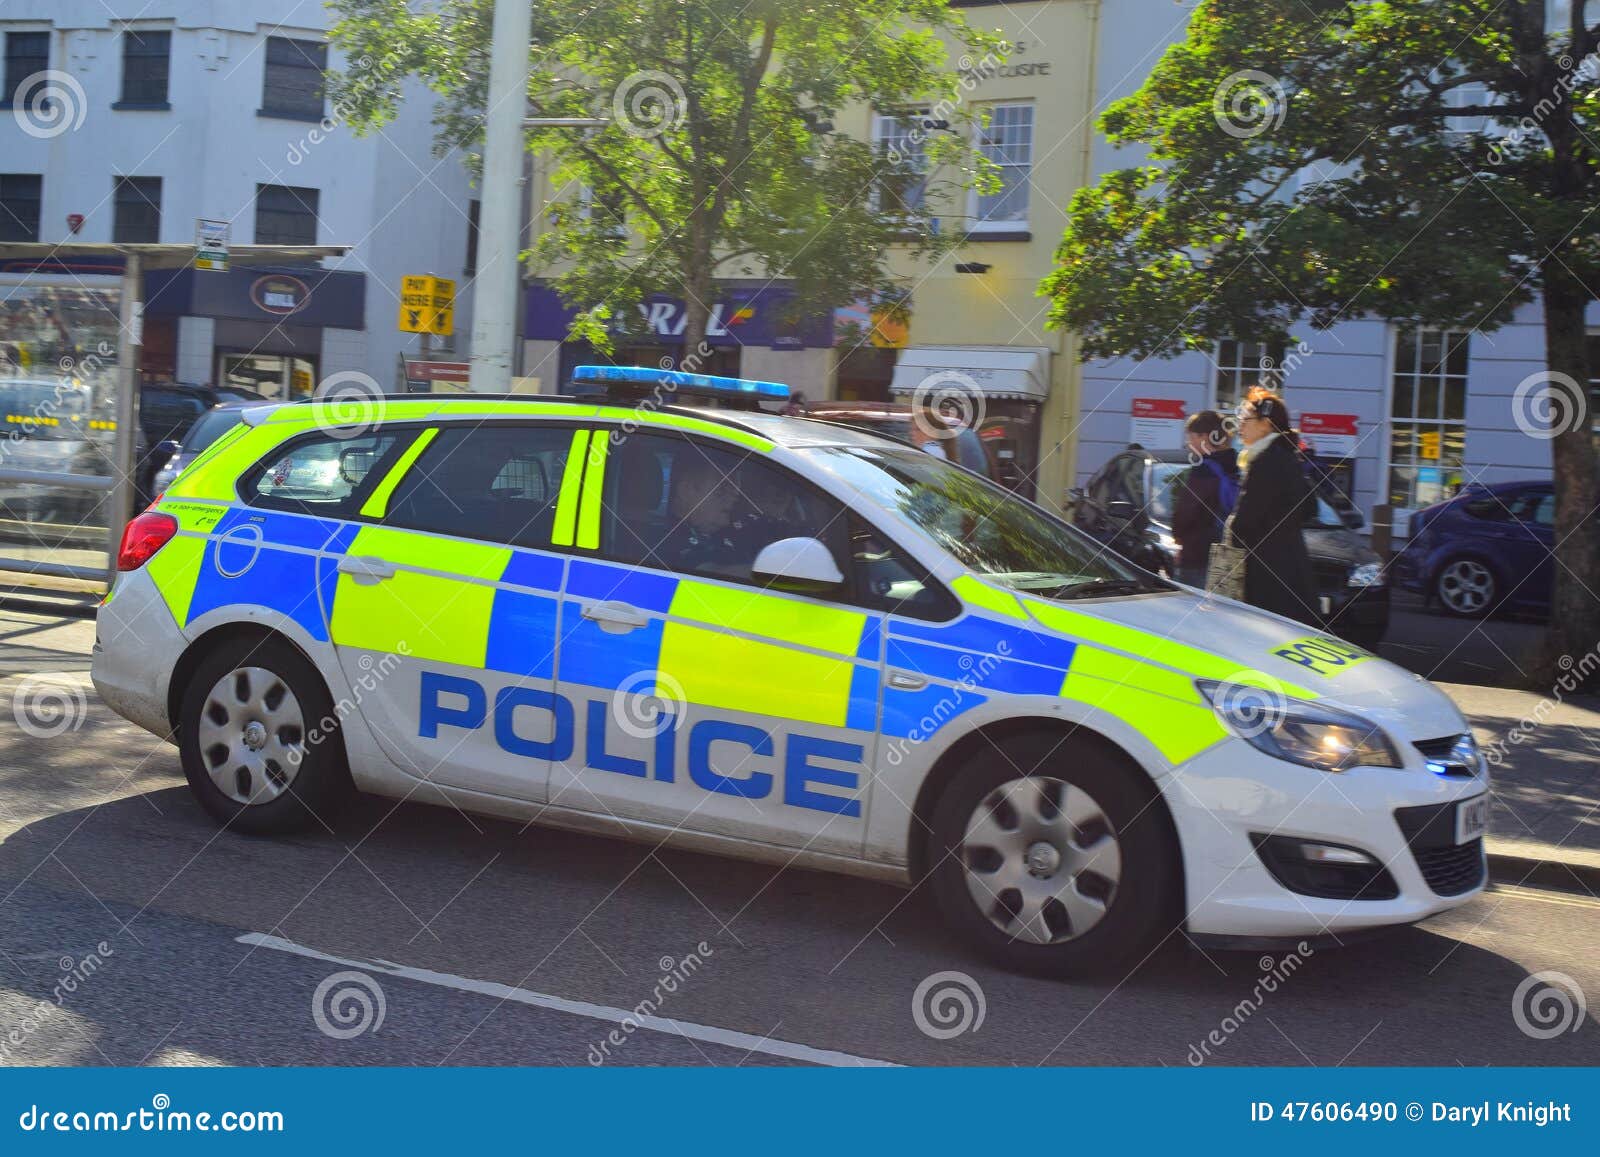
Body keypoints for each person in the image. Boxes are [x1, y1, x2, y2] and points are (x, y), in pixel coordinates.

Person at [1230, 387, 1317, 622]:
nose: (1240, 426)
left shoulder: (1264, 462)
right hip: (1292, 566)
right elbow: (1311, 508)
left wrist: (1235, 533)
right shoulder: (1287, 456)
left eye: (1245, 419)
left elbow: (1244, 522)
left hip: (1267, 572)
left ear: (1265, 424)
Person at [1170, 410, 1238, 586]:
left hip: (1198, 553)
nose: (1189, 443)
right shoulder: (1233, 465)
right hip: (1225, 552)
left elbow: (1187, 510)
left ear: (1205, 437)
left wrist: (1178, 536)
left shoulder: (1204, 469)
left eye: (1191, 437)